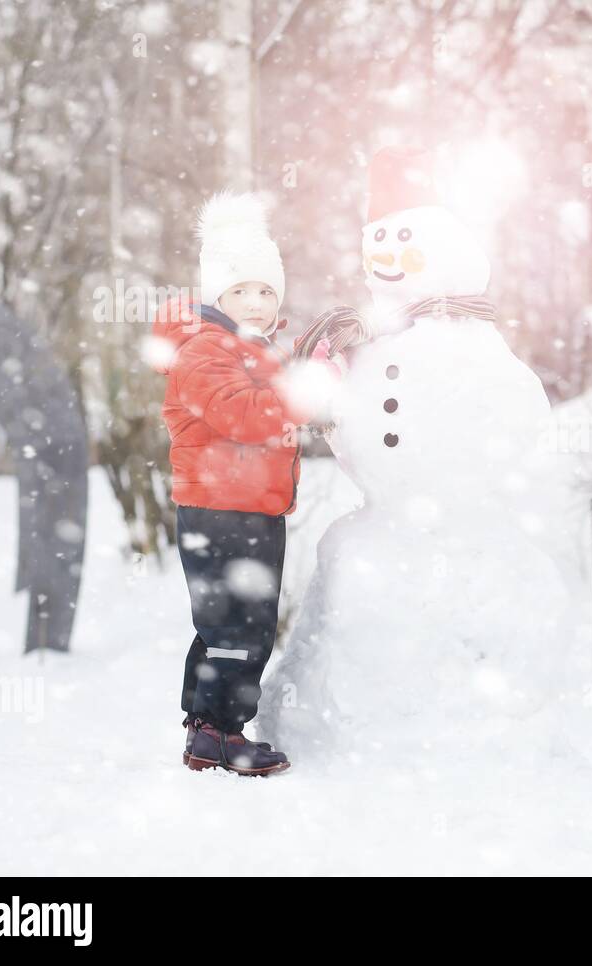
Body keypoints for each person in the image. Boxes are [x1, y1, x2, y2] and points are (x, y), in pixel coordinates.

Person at [146, 191, 343, 776]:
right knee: (239, 626)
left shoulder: (248, 348)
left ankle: (206, 731)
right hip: (222, 508)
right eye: (241, 291)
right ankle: (227, 732)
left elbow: (270, 402)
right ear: (216, 295)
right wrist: (304, 392)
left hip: (246, 507)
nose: (256, 302)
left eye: (266, 290)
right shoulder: (205, 350)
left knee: (225, 623)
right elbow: (243, 414)